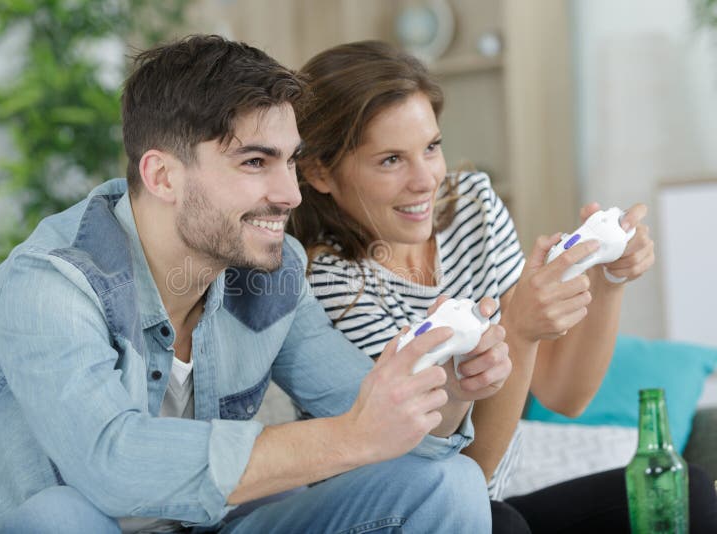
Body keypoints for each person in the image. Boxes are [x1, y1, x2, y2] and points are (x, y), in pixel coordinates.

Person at [0, 35, 514, 533]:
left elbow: (367, 411)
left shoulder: (275, 273)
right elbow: (112, 467)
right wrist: (350, 437)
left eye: (289, 160)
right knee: (60, 517)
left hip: (201, 525)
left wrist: (448, 387)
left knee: (445, 484)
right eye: (255, 162)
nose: (290, 193)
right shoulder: (50, 287)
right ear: (162, 175)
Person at [289, 40, 717, 533]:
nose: (425, 180)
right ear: (320, 171)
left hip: (494, 499)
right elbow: (458, 476)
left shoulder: (471, 205)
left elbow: (564, 394)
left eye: (431, 147)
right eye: (390, 160)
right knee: (504, 524)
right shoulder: (331, 285)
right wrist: (519, 330)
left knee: (689, 494)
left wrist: (608, 278)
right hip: (407, 515)